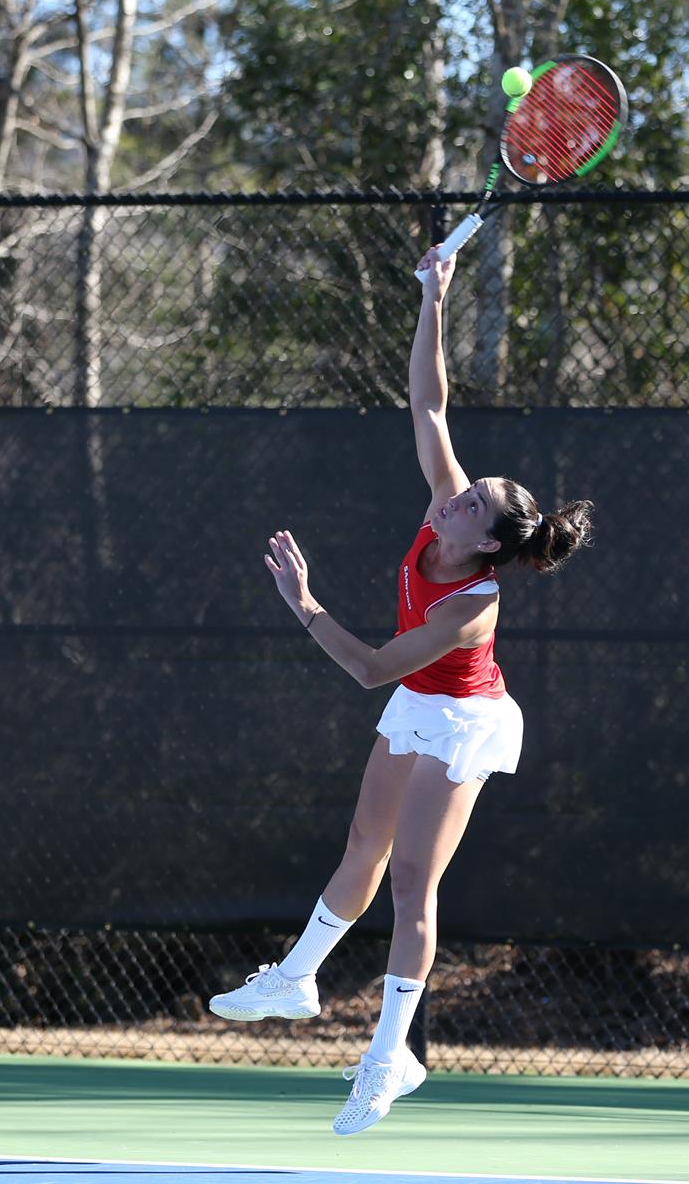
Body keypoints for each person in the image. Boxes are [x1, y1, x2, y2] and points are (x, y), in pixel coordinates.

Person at [210, 244, 596, 1135]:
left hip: (464, 721)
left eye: (472, 503)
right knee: (364, 845)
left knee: (413, 883)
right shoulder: (444, 512)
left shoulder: (473, 601)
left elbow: (372, 667)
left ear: (487, 543)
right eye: (465, 491)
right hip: (418, 703)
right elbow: (429, 402)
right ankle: (298, 977)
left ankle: (391, 1055)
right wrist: (434, 298)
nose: (455, 495)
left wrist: (305, 603)